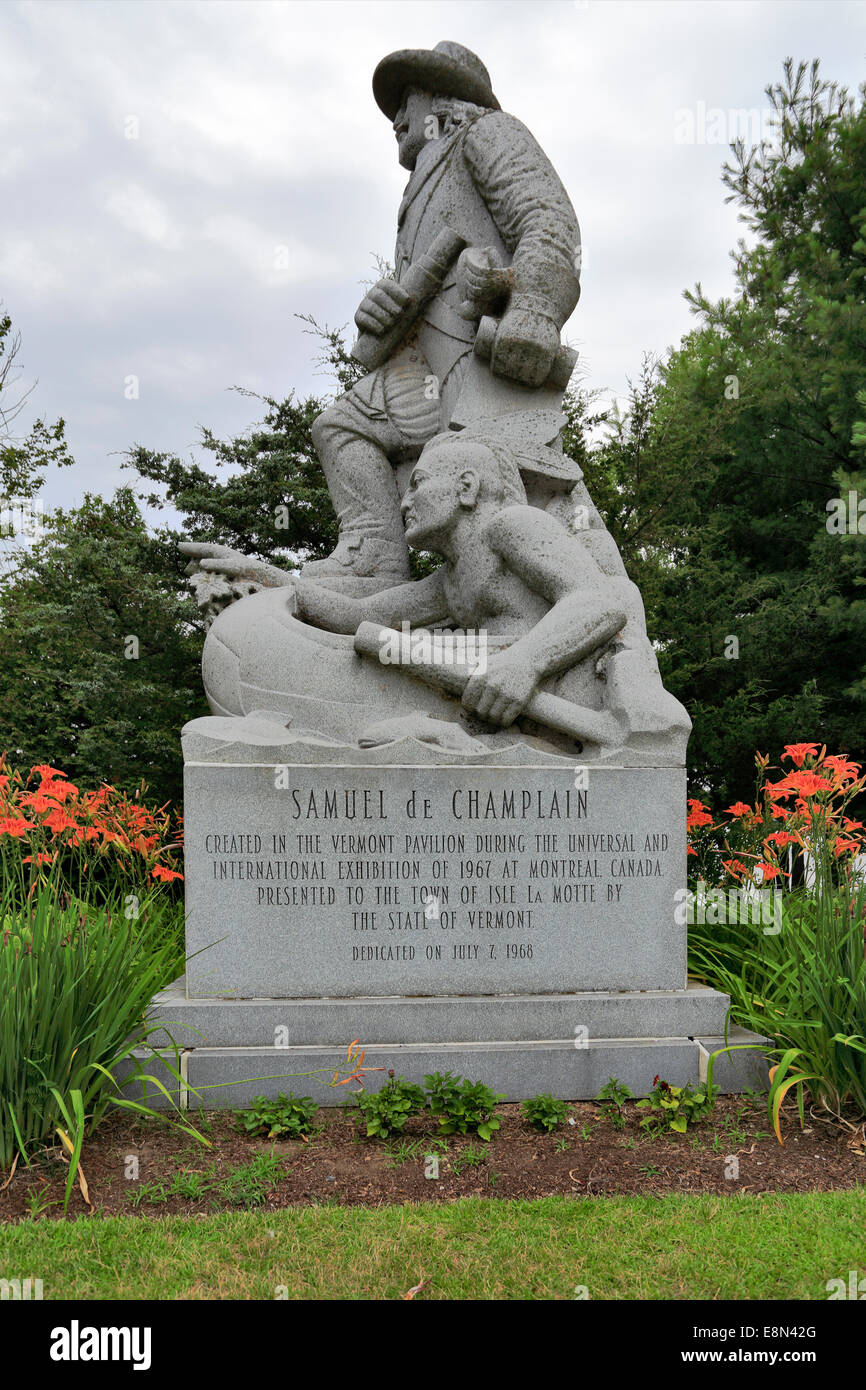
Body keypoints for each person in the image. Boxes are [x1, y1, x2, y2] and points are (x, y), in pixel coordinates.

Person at [301, 40, 582, 588]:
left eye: (409, 99)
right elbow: (414, 301)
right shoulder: (415, 192)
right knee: (341, 428)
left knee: (500, 495)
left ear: (444, 101)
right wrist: (383, 315)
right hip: (423, 366)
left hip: (478, 363)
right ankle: (376, 556)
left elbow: (548, 219)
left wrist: (533, 304)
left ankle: (547, 600)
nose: (397, 117)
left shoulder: (486, 134)